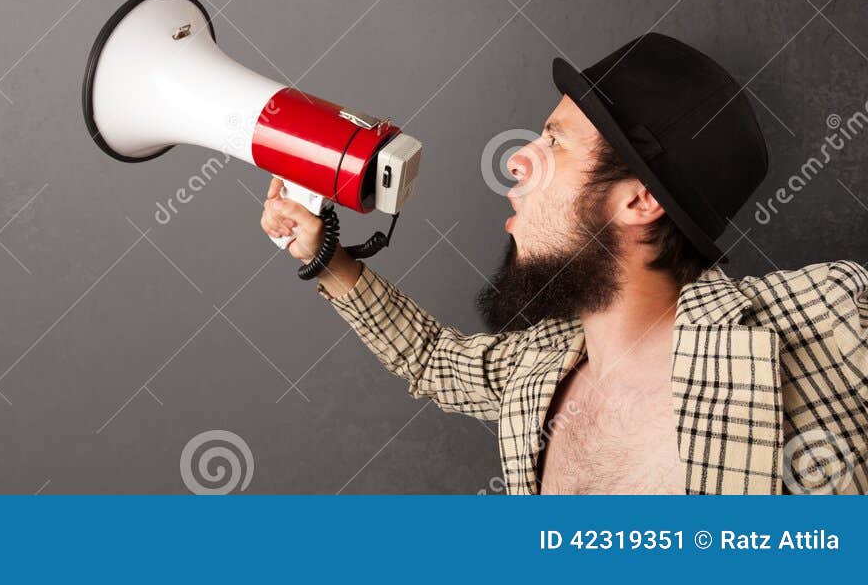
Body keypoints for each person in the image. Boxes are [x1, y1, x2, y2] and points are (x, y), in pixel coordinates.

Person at [261, 33, 867, 494]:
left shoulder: (830, 318)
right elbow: (431, 359)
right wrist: (325, 256)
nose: (516, 160)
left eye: (554, 141)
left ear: (638, 200)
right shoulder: (537, 369)